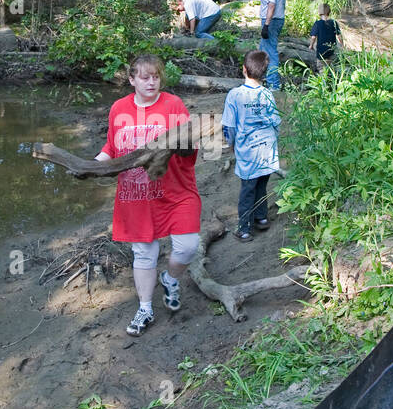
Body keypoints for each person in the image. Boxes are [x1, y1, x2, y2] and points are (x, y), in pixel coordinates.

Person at [94, 55, 202, 336]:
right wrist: (94, 166)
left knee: (188, 245)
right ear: (132, 80)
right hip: (136, 195)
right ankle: (145, 308)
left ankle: (170, 277)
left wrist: (188, 144)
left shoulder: (173, 104)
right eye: (145, 77)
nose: (152, 81)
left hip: (175, 190)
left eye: (155, 76)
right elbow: (111, 146)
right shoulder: (118, 108)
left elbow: (191, 144)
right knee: (144, 253)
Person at [222, 51, 281, 241]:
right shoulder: (267, 94)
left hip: (248, 149)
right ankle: (261, 218)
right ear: (265, 72)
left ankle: (244, 228)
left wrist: (231, 143)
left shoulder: (235, 95)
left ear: (244, 69)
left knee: (248, 187)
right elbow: (276, 120)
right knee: (262, 183)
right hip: (267, 147)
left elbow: (229, 126)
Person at [256, 0, 286, 89]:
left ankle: (273, 84)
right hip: (276, 20)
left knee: (270, 52)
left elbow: (271, 5)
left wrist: (266, 25)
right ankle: (263, 78)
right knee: (263, 49)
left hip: (272, 21)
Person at [308, 3, 341, 67]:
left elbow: (313, 37)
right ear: (329, 12)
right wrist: (342, 45)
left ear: (319, 12)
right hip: (331, 51)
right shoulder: (334, 22)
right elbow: (339, 36)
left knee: (321, 68)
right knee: (331, 67)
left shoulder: (317, 23)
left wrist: (311, 45)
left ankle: (322, 75)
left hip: (321, 52)